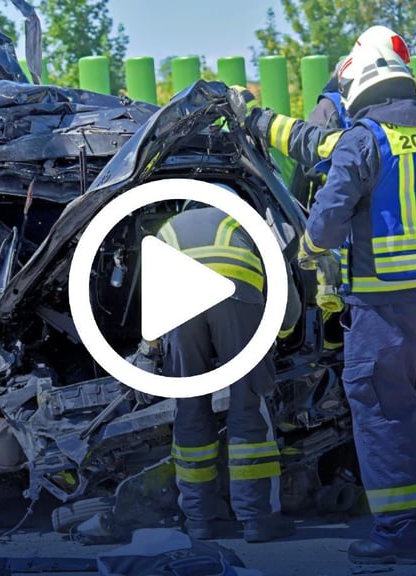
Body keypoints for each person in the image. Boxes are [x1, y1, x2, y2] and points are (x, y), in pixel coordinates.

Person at [233, 43, 416, 564]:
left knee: (384, 411)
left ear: (357, 91)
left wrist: (309, 251)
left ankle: (401, 533)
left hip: (384, 305)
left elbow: (328, 221)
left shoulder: (365, 138)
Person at [133, 183, 301, 544]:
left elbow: (152, 302)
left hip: (181, 305)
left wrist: (152, 348)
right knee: (247, 407)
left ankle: (198, 520)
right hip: (237, 299)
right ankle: (256, 519)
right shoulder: (249, 224)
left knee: (190, 412)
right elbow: (288, 302)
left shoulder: (169, 229)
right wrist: (282, 335)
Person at [287, 25, 414, 356]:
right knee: (338, 320)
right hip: (343, 227)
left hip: (375, 233)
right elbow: (309, 166)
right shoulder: (331, 105)